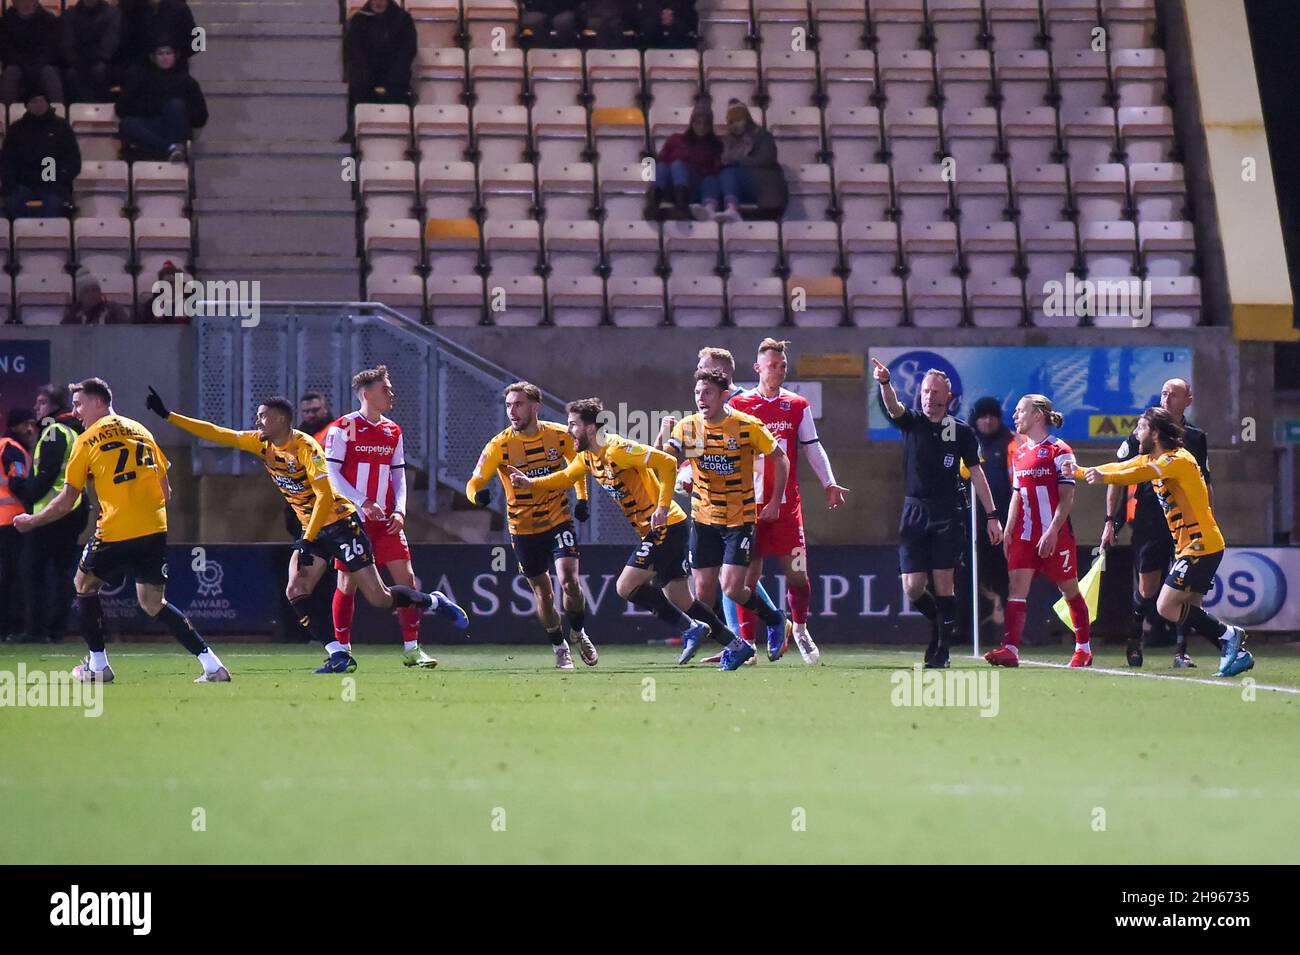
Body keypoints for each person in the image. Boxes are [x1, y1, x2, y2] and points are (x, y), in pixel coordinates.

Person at [145, 385, 467, 674]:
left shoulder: (306, 447)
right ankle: (338, 654)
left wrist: (309, 541)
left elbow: (326, 495)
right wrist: (169, 416)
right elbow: (218, 433)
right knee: (295, 590)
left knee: (380, 598)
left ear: (281, 421)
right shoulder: (262, 444)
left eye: (263, 418)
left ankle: (432, 601)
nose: (257, 423)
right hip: (312, 528)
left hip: (340, 524)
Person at [14, 378, 230, 684]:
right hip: (155, 529)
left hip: (116, 530)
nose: (76, 412)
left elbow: (66, 501)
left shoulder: (86, 441)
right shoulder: (141, 430)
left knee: (84, 585)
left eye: (79, 404)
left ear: (99, 402)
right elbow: (166, 492)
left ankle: (98, 666)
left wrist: (31, 521)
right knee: (153, 603)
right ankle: (212, 665)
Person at [507, 398, 733, 656]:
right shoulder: (589, 457)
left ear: (591, 428)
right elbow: (567, 477)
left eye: (573, 425)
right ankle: (735, 645)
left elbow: (668, 464)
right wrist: (530, 483)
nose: (568, 430)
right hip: (660, 527)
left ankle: (690, 628)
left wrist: (661, 507)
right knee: (680, 597)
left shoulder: (616, 449)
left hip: (667, 524)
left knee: (625, 586)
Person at [1083, 407, 1252, 678]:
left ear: (1156, 433)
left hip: (1201, 545)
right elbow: (1122, 467)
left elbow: (1132, 475)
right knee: (1186, 609)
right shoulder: (1154, 458)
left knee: (1166, 606)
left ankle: (1229, 636)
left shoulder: (1178, 459)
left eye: (1141, 428)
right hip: (1192, 546)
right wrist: (1079, 471)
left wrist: (1103, 476)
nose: (1136, 433)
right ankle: (1233, 649)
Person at [872, 358, 1003, 668]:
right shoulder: (911, 421)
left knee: (945, 583)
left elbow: (977, 475)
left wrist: (992, 515)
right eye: (925, 391)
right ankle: (941, 623)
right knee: (913, 587)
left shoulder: (961, 432)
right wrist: (885, 383)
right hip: (914, 511)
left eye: (935, 392)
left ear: (948, 398)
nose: (929, 397)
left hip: (947, 513)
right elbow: (893, 408)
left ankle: (942, 648)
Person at [324, 366, 457, 669]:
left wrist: (400, 509)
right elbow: (331, 473)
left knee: (407, 578)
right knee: (347, 584)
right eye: (386, 389)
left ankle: (412, 648)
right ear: (366, 394)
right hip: (352, 521)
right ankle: (342, 650)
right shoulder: (343, 427)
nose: (391, 394)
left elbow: (399, 476)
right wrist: (362, 501)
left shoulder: (392, 430)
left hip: (386, 521)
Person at [728, 339, 849, 665]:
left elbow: (812, 446)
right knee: (746, 581)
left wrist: (829, 481)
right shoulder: (738, 407)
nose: (779, 370)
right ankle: (748, 644)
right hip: (749, 507)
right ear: (757, 368)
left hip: (786, 507)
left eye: (782, 365)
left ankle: (801, 628)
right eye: (772, 365)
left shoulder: (797, 405)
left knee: (797, 574)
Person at [659, 369, 790, 670]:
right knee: (702, 593)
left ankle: (774, 619)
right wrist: (663, 435)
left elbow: (779, 457)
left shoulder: (746, 426)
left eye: (707, 393)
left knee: (732, 588)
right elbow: (663, 461)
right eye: (697, 393)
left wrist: (773, 501)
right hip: (703, 518)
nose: (701, 399)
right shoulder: (688, 427)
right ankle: (735, 645)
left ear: (722, 395)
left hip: (738, 519)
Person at [466, 382, 596, 670]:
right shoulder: (498, 445)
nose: (512, 411)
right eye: (509, 405)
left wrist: (583, 499)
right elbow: (473, 482)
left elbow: (579, 466)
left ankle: (578, 631)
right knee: (544, 593)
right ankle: (559, 646)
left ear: (535, 407)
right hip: (523, 529)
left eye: (519, 404)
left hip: (558, 519)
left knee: (569, 580)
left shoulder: (559, 436)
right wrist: (478, 495)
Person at [1101, 377, 1212, 668]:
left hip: (1186, 523)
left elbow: (1205, 482)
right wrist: (1111, 521)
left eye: (1173, 395)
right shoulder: (1142, 434)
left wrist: (1208, 516)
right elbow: (1117, 476)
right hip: (1151, 517)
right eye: (1163, 393)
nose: (1166, 399)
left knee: (1185, 587)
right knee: (1148, 587)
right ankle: (1135, 639)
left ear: (1188, 400)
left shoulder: (1196, 438)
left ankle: (1181, 651)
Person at [983, 395, 1092, 668]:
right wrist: (1008, 530)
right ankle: (1010, 649)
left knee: (1069, 590)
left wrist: (1053, 530)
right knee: (1016, 590)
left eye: (1020, 411)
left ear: (1037, 416)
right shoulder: (1019, 453)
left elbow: (1067, 497)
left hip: (1055, 534)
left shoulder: (1060, 451)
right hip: (1025, 534)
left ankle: (1083, 648)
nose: (1015, 416)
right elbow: (1017, 496)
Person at [12, 385, 88, 644]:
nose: (36, 407)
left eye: (42, 402)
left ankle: (37, 630)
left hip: (52, 513)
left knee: (32, 570)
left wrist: (26, 492)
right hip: (72, 510)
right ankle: (56, 630)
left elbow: (47, 475)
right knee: (61, 571)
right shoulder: (71, 430)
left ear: (55, 405)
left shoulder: (55, 432)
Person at [969, 396, 1024, 633]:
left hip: (1003, 521)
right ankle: (965, 628)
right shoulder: (968, 440)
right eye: (983, 416)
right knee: (969, 575)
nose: (988, 421)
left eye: (992, 416)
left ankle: (1008, 629)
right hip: (972, 522)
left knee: (1006, 575)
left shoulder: (1010, 442)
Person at [116, 41, 208, 163]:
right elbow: (121, 109)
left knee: (175, 106)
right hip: (149, 127)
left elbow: (201, 116)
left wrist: (182, 110)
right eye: (160, 54)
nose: (165, 57)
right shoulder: (139, 78)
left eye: (168, 53)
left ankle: (172, 148)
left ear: (175, 55)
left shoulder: (187, 82)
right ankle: (170, 149)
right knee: (127, 125)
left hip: (175, 127)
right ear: (153, 57)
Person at [697, 99, 787, 223]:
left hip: (763, 188)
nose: (736, 125)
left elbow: (766, 160)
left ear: (747, 119)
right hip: (737, 187)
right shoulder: (725, 142)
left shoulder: (762, 136)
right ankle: (709, 208)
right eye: (731, 122)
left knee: (729, 172)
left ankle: (732, 209)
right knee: (712, 175)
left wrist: (738, 160)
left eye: (739, 120)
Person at [0, 92, 80, 219]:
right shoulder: (16, 129)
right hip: (23, 185)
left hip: (53, 185)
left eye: (41, 100)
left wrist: (60, 181)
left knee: (53, 204)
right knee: (12, 204)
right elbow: (7, 162)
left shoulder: (61, 127)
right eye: (34, 101)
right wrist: (11, 186)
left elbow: (73, 160)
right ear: (27, 105)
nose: (38, 104)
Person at [344, 0, 416, 138]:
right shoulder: (358, 21)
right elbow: (354, 54)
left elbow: (407, 52)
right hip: (364, 82)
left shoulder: (403, 20)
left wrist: (390, 79)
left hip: (396, 82)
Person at [649, 99, 721, 221]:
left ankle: (681, 206)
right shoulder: (675, 139)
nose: (701, 127)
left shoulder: (715, 145)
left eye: (706, 123)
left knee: (678, 165)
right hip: (671, 184)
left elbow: (714, 172)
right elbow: (661, 158)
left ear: (710, 126)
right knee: (661, 166)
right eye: (698, 122)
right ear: (691, 123)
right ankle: (653, 204)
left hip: (695, 186)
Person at [0, 408, 36, 642]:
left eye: (32, 424)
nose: (30, 429)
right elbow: (17, 482)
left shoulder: (2, 445)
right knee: (12, 578)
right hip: (12, 521)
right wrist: (37, 506)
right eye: (26, 424)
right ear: (14, 426)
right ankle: (11, 628)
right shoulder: (12, 448)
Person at [0, 0, 63, 106]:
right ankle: (6, 114)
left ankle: (59, 112)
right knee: (11, 72)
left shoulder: (49, 19)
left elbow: (51, 49)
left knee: (49, 73)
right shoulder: (5, 22)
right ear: (14, 3)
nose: (26, 4)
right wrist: (24, 65)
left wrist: (37, 65)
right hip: (16, 64)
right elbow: (6, 50)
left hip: (43, 64)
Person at [62, 0, 122, 103]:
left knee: (99, 71)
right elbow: (67, 41)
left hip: (103, 60)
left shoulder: (112, 13)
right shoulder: (70, 14)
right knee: (73, 74)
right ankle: (79, 111)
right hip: (77, 60)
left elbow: (111, 41)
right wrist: (75, 59)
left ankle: (99, 110)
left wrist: (99, 57)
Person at [118, 0, 198, 76]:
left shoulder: (179, 9)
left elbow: (196, 41)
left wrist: (177, 55)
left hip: (175, 73)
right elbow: (128, 41)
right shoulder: (135, 10)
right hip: (144, 71)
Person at [63, 271, 132, 325]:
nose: (91, 294)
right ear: (80, 296)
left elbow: (125, 332)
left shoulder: (114, 309)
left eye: (94, 289)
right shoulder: (73, 314)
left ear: (100, 292)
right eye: (86, 291)